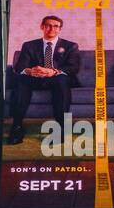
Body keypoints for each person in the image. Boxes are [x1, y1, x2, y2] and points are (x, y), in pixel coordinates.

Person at [7, 15, 80, 145]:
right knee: (22, 80)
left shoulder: (71, 46)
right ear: (42, 27)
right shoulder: (29, 45)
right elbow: (20, 67)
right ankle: (17, 126)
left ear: (60, 29)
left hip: (57, 78)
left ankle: (61, 128)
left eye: (56, 26)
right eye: (48, 25)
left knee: (62, 80)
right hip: (35, 78)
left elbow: (73, 67)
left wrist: (52, 71)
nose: (52, 28)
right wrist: (31, 70)